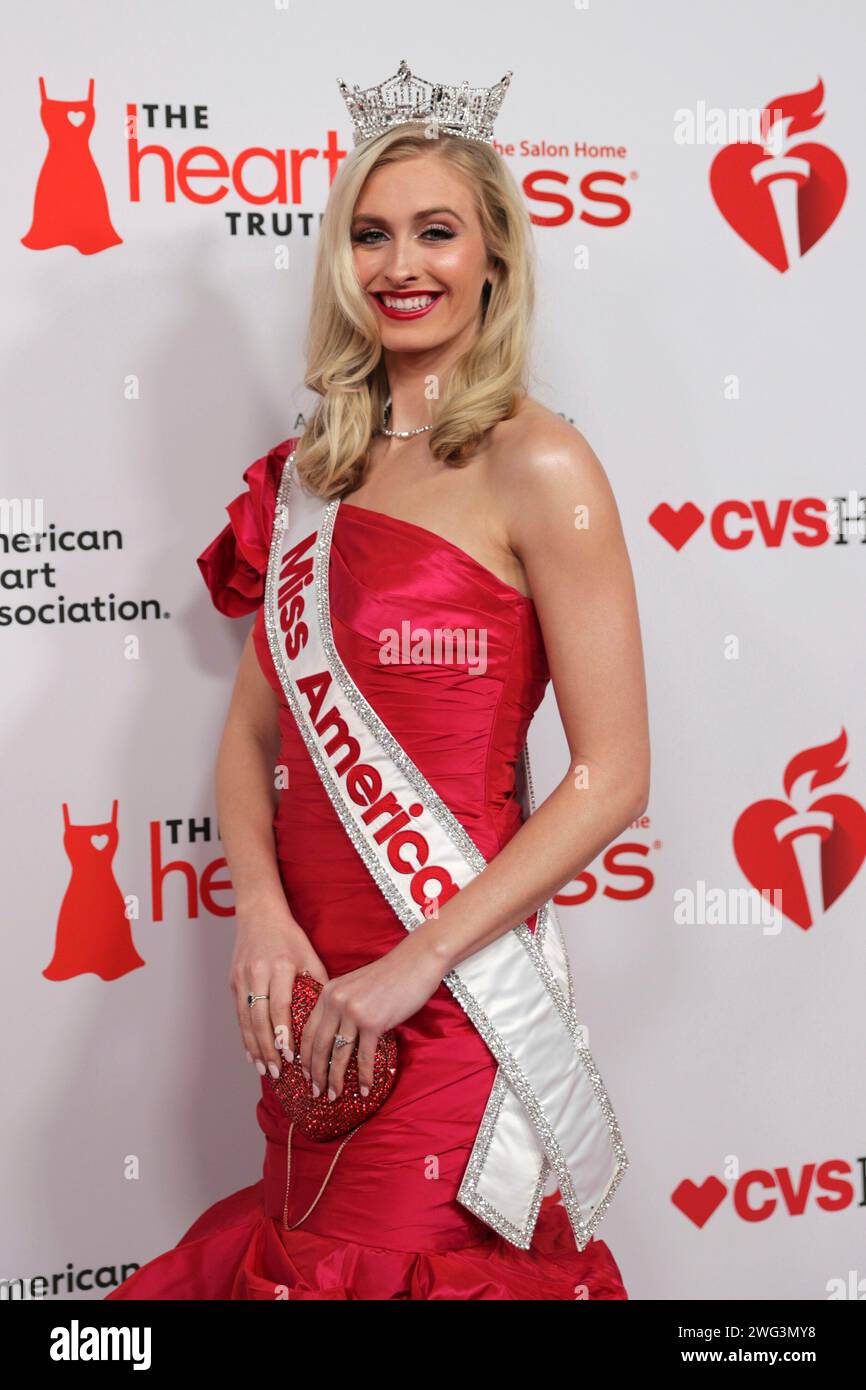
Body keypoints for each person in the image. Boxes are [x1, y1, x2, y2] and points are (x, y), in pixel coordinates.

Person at [106, 61, 649, 1301]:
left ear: (494, 258)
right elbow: (251, 741)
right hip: (301, 994)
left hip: (452, 990)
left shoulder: (539, 463)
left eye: (435, 232)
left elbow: (613, 773)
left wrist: (414, 965)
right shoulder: (314, 476)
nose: (399, 265)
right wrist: (258, 909)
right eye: (369, 233)